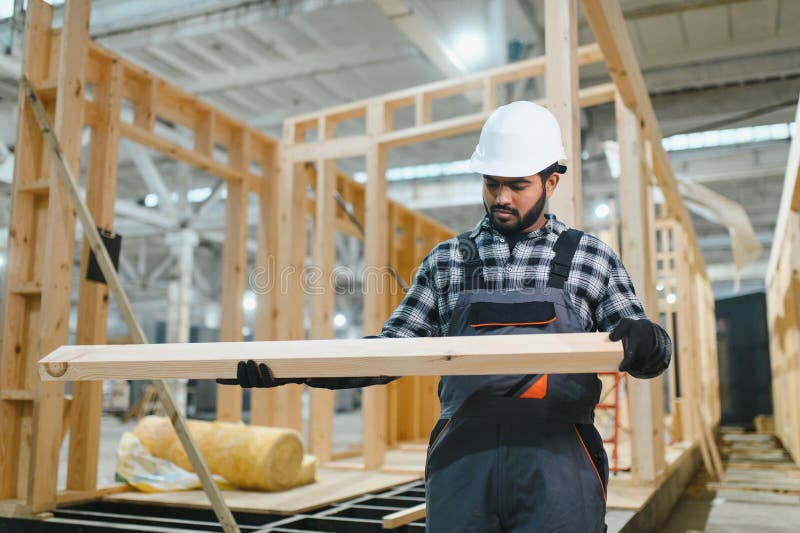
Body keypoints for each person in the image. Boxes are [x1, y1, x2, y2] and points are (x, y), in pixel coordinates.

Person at [218, 101, 671, 532]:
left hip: (559, 469)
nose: (502, 198)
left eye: (518, 185)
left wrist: (648, 340)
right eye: (492, 183)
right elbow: (390, 353)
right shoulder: (447, 260)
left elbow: (651, 351)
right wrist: (292, 370)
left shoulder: (588, 258)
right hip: (464, 470)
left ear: (552, 183)